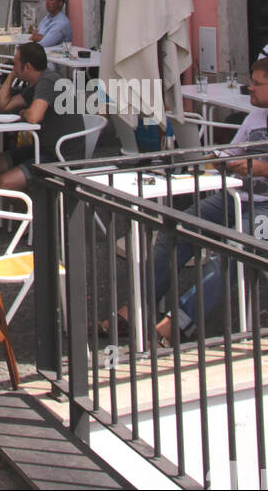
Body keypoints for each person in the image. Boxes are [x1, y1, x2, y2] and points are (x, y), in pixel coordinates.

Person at [103, 58, 268, 346]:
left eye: (256, 83)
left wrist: (259, 167)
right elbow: (233, 152)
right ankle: (138, 312)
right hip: (234, 196)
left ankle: (175, 325)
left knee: (228, 256)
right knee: (175, 230)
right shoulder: (256, 116)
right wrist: (220, 160)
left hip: (263, 207)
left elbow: (256, 163)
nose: (248, 88)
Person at [0, 42, 82, 190]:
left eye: (15, 63)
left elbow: (34, 117)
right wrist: (11, 75)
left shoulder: (48, 80)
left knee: (6, 182)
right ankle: (30, 204)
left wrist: (25, 112)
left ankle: (32, 211)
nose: (12, 65)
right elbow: (1, 107)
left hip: (61, 155)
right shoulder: (35, 85)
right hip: (42, 148)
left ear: (28, 67)